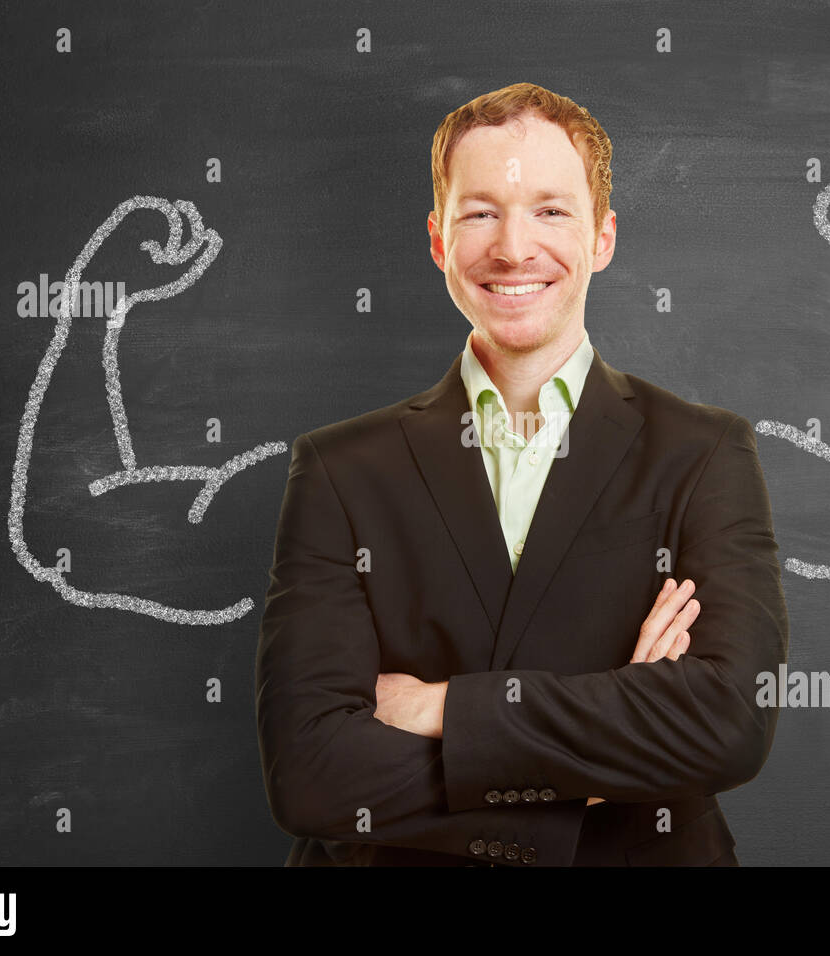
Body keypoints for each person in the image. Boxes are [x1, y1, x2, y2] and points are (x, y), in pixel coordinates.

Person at [255, 82, 789, 866]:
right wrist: (605, 769)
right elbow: (310, 776)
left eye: (550, 210)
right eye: (480, 212)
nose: (512, 247)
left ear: (602, 237)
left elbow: (727, 723)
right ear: (438, 240)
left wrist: (440, 709)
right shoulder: (338, 469)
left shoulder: (705, 453)